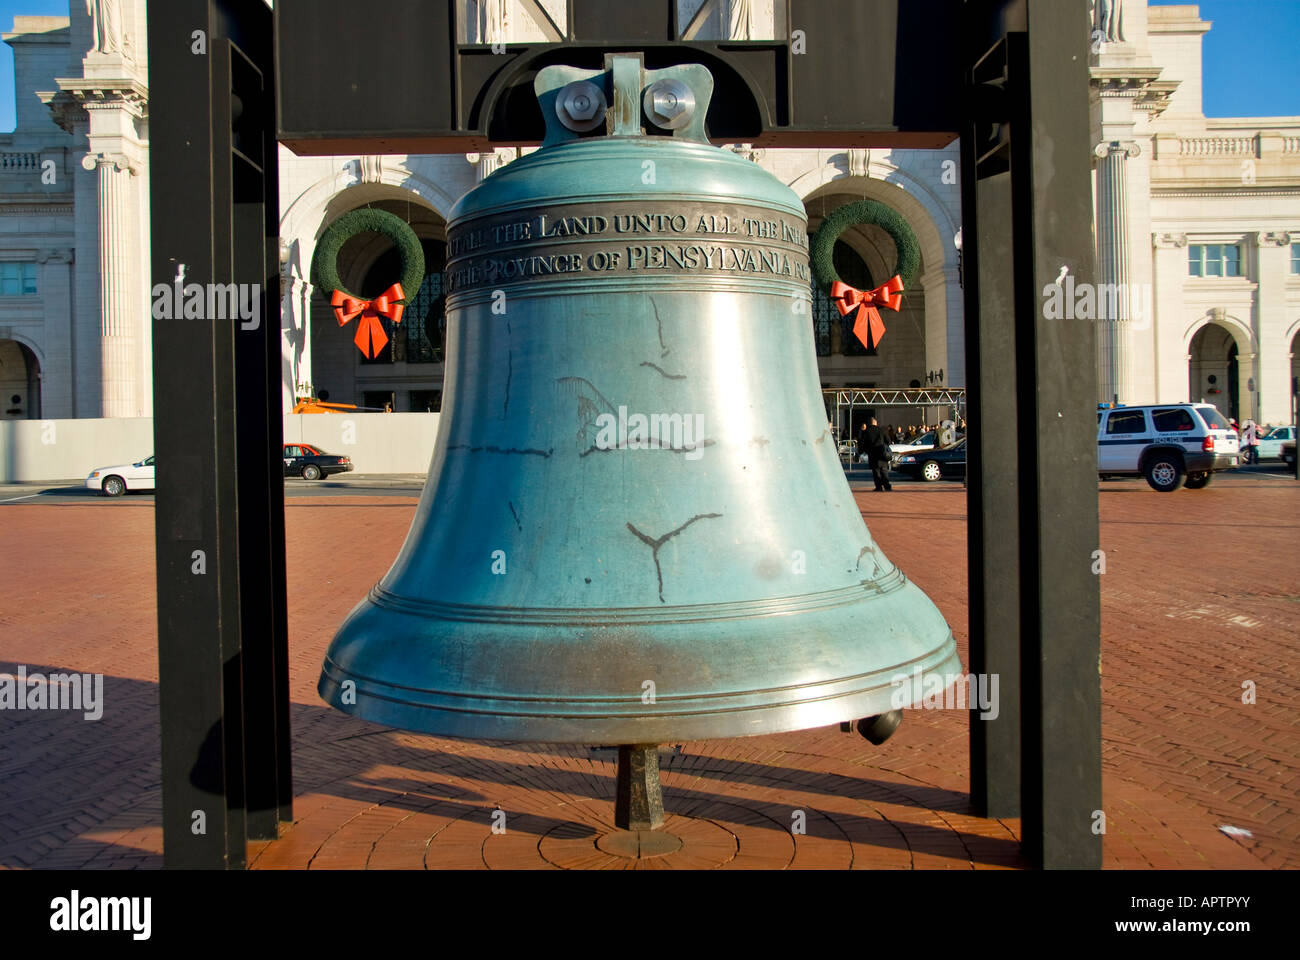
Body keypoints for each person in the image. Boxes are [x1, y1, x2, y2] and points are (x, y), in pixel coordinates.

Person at [863, 417, 893, 491]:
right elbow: (888, 441)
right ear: (875, 423)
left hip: (872, 453)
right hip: (882, 453)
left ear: (870, 423)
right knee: (884, 470)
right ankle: (887, 486)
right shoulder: (881, 430)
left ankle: (878, 486)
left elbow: (864, 443)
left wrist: (867, 451)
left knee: (876, 471)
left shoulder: (867, 431)